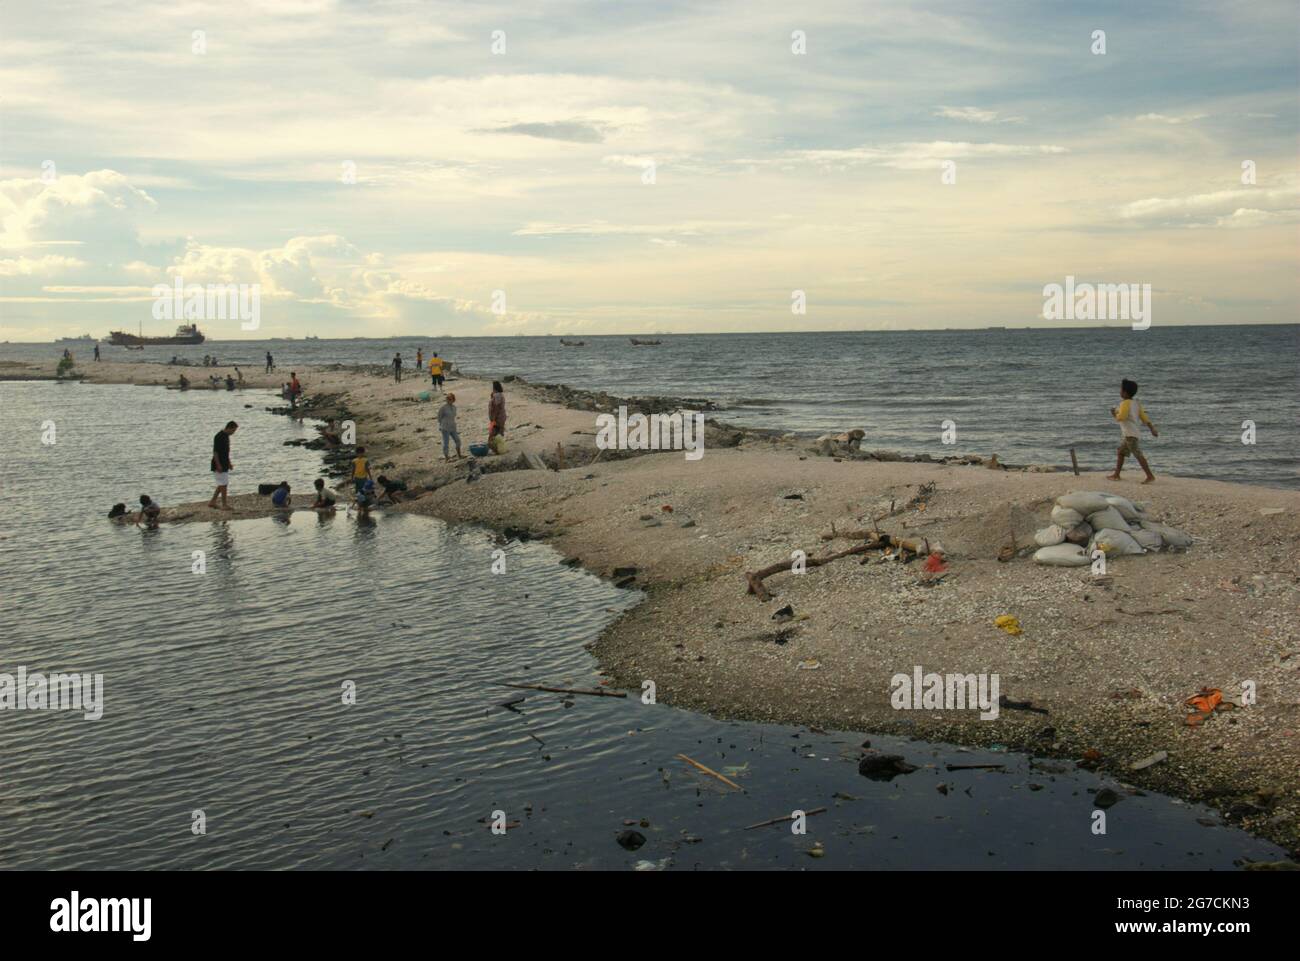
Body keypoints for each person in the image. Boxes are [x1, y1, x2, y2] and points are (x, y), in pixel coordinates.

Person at [1107, 378, 1158, 484]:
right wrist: (1152, 428)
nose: (1119, 391)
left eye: (1120, 389)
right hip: (1131, 433)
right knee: (1121, 452)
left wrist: (1114, 414)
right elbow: (1144, 417)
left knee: (1138, 454)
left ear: (1125, 392)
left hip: (1130, 434)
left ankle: (1150, 476)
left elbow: (1122, 417)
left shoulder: (1124, 403)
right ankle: (1116, 474)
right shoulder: (1136, 403)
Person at [208, 421, 238, 509]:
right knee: (223, 484)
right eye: (233, 430)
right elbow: (215, 452)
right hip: (218, 463)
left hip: (224, 462)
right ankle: (224, 505)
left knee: (222, 483)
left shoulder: (227, 437)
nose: (233, 433)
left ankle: (212, 501)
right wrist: (218, 465)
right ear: (229, 428)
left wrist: (229, 463)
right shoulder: (218, 436)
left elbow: (226, 452)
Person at [437, 393, 462, 461]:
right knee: (446, 443)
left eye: (450, 399)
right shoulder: (443, 407)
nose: (448, 400)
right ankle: (446, 457)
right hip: (445, 427)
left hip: (452, 426)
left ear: (453, 400)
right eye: (447, 399)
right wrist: (441, 425)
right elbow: (439, 417)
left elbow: (453, 416)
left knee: (457, 440)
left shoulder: (454, 407)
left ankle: (459, 455)